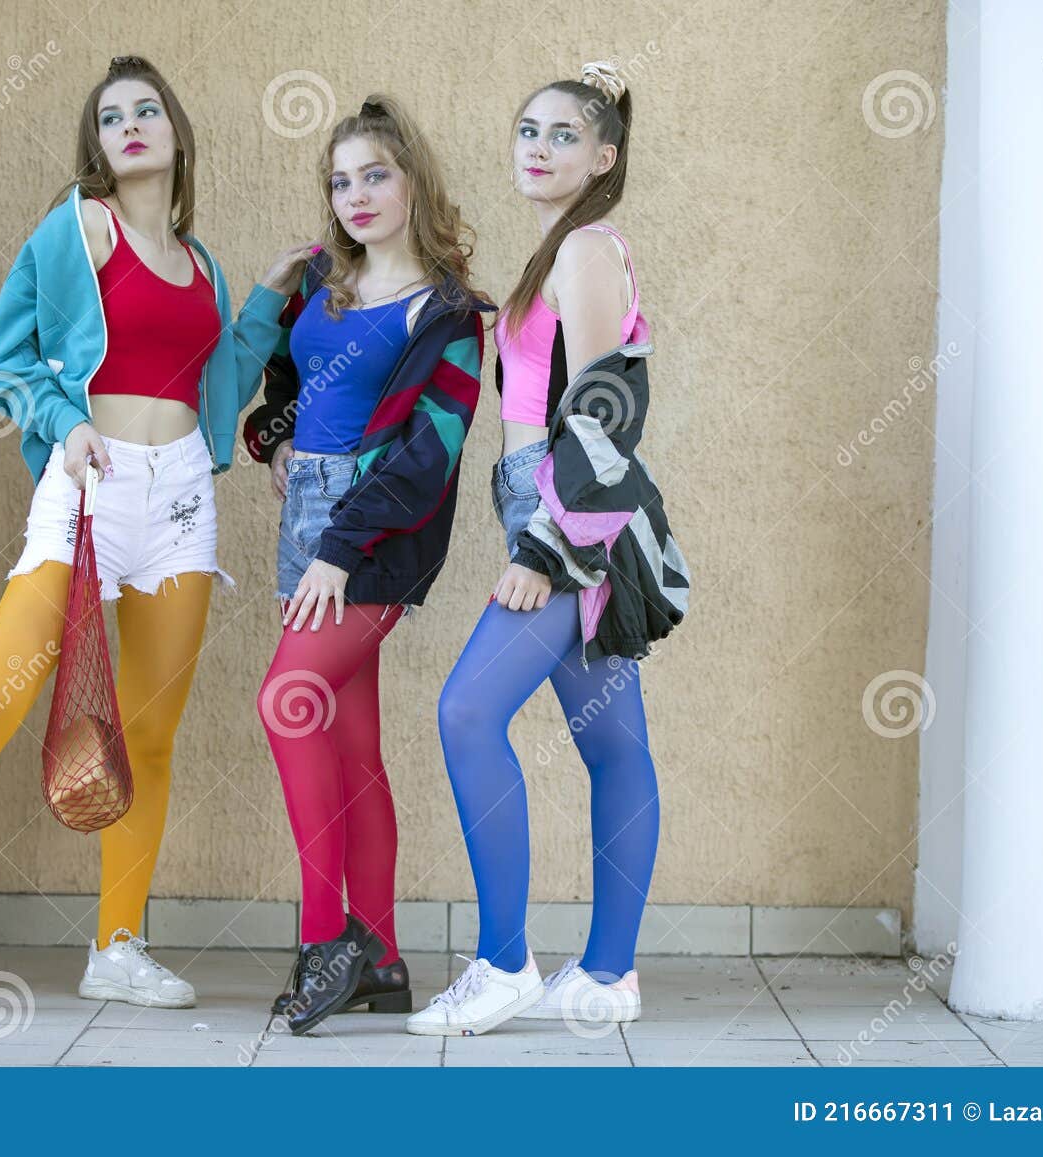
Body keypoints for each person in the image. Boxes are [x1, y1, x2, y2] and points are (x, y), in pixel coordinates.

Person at [0, 54, 313, 1020]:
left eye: (146, 110)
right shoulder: (77, 230)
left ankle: (117, 947)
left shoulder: (203, 266)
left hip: (179, 503)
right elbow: (3, 355)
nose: (129, 125)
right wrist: (63, 422)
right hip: (88, 490)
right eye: (111, 116)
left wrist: (262, 293)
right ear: (97, 143)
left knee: (148, 737)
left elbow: (219, 380)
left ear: (176, 133)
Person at [408, 62, 690, 1037]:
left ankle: (502, 963)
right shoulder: (556, 253)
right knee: (613, 743)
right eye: (528, 129)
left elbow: (604, 414)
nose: (538, 146)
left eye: (564, 134)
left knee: (466, 709)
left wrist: (541, 548)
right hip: (553, 511)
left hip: (571, 524)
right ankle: (609, 973)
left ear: (604, 157)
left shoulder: (586, 250)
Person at [241, 94, 494, 1036]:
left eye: (375, 175)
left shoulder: (450, 315)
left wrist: (341, 551)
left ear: (413, 182)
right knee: (349, 747)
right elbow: (290, 377)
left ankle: (326, 941)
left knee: (286, 701)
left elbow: (430, 455)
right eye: (341, 180)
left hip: (374, 534)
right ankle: (381, 955)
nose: (355, 195)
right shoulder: (325, 280)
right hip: (304, 514)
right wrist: (272, 439)